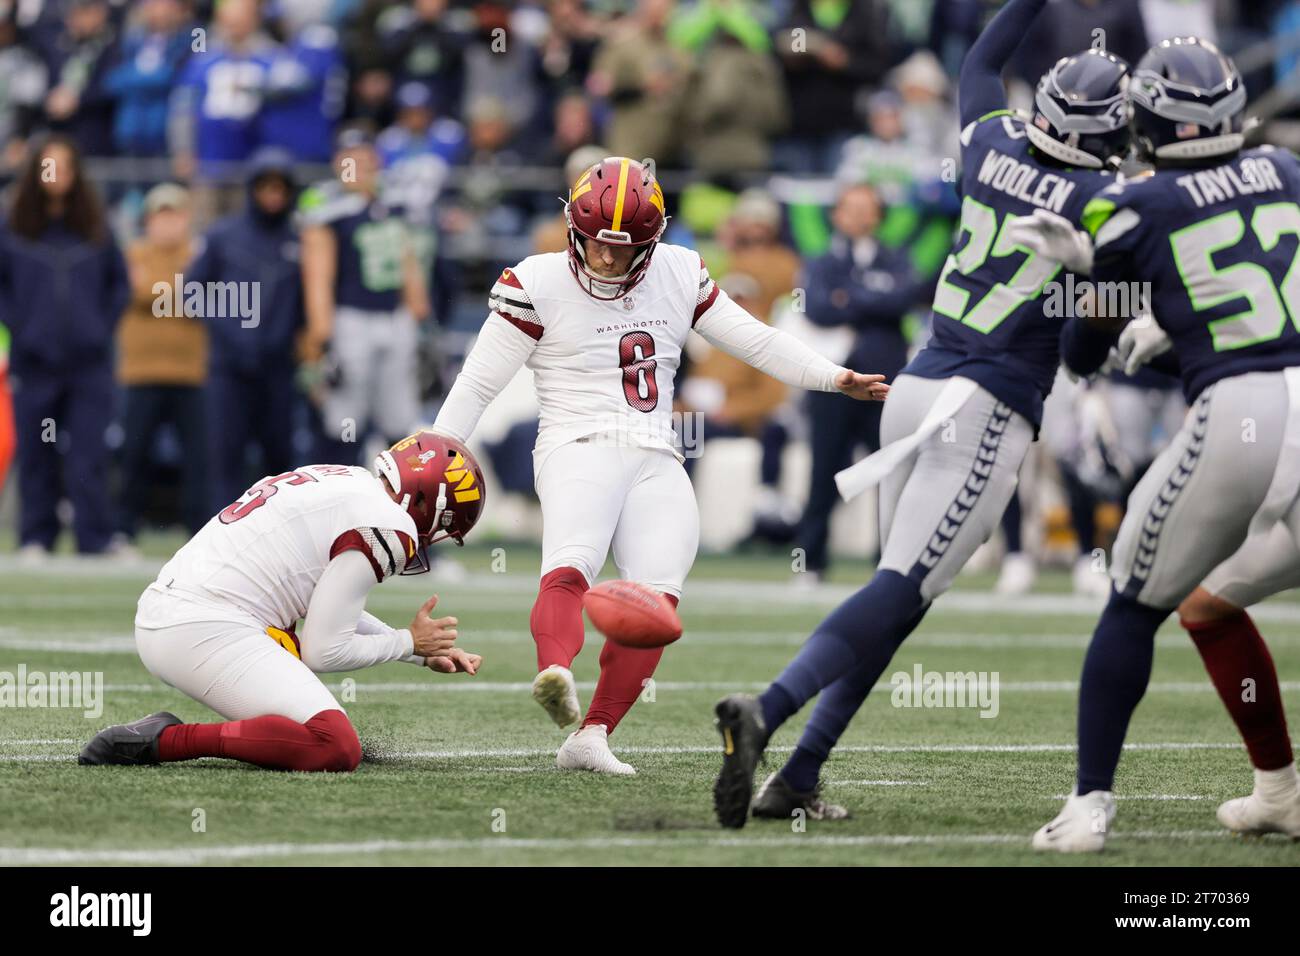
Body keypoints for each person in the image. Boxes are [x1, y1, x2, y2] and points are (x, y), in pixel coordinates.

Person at [709, 0, 1133, 827]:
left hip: (913, 387)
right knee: (900, 590)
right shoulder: (1102, 201)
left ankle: (798, 775)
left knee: (895, 599)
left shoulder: (990, 139)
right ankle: (767, 707)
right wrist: (1095, 279)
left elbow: (980, 60)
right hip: (982, 407)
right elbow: (1082, 352)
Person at [432, 156, 890, 775]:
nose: (606, 260)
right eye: (596, 243)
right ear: (574, 226)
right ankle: (557, 673)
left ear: (653, 240)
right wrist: (437, 451)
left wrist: (834, 379)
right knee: (572, 563)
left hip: (656, 450)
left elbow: (754, 340)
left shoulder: (678, 269)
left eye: (624, 249)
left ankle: (591, 736)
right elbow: (478, 383)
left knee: (658, 606)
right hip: (576, 441)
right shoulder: (537, 279)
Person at [1031, 37, 1300, 851]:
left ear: (1146, 122)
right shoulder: (1288, 172)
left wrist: (1088, 275)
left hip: (1247, 414)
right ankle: (1281, 791)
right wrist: (1180, 325)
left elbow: (1080, 356)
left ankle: (1087, 808)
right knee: (1209, 604)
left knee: (1133, 604)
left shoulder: (1139, 208)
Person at [79, 432, 485, 773]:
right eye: (445, 525)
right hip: (204, 626)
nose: (435, 536)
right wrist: (406, 642)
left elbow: (328, 605)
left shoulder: (347, 479)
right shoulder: (389, 522)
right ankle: (166, 740)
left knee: (316, 731)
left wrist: (420, 652)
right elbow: (323, 650)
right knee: (335, 746)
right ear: (424, 503)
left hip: (176, 613)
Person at [0, 135, 129, 558]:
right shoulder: (13, 227)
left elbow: (119, 286)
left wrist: (98, 329)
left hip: (88, 363)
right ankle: (36, 536)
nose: (56, 176)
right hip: (34, 361)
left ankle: (95, 538)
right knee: (37, 451)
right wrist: (24, 326)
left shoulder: (96, 228)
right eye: (48, 167)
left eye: (65, 166)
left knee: (89, 452)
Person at [794, 182, 917, 582]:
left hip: (884, 382)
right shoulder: (823, 259)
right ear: (837, 214)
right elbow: (817, 306)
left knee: (891, 469)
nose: (860, 215)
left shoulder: (895, 257)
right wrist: (869, 299)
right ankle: (811, 561)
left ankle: (889, 563)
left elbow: (904, 297)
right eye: (852, 207)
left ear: (878, 214)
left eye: (868, 207)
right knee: (824, 468)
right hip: (835, 379)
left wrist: (851, 298)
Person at [299, 126, 430, 462]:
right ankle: (337, 484)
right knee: (345, 416)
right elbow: (319, 276)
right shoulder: (328, 208)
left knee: (400, 416)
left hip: (394, 316)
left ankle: (401, 495)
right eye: (352, 158)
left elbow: (407, 259)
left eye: (366, 157)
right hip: (350, 318)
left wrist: (421, 313)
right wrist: (320, 338)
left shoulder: (393, 203)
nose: (361, 166)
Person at [188, 148, 304, 512]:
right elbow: (193, 292)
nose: (273, 195)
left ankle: (278, 547)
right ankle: (218, 538)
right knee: (225, 457)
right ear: (252, 189)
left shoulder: (302, 240)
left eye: (280, 188)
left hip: (279, 368)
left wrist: (288, 340)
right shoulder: (224, 236)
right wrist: (231, 334)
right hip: (228, 369)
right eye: (265, 186)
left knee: (280, 463)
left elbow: (310, 303)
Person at [116, 182, 209, 542]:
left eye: (175, 215)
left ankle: (201, 531)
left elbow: (202, 298)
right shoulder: (134, 253)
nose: (168, 224)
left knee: (199, 459)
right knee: (133, 453)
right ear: (149, 220)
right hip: (140, 372)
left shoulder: (200, 254)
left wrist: (158, 290)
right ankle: (123, 529)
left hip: (193, 373)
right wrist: (181, 290)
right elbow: (137, 293)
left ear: (186, 219)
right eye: (161, 216)